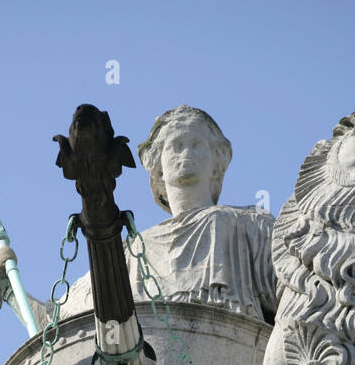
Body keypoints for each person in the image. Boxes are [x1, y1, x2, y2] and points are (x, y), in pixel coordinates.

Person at [58, 105, 277, 325]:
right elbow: (74, 308)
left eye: (196, 144)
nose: (186, 153)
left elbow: (294, 291)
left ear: (216, 161)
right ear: (159, 165)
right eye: (177, 146)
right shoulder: (134, 250)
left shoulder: (250, 225)